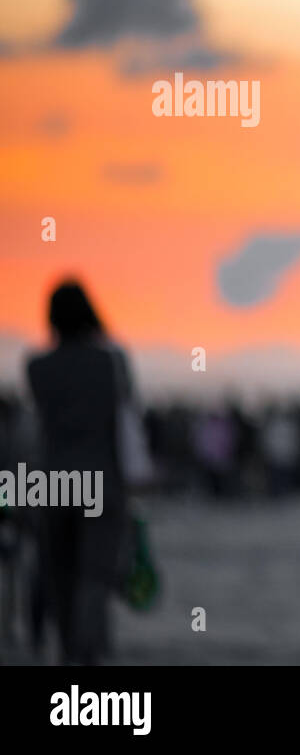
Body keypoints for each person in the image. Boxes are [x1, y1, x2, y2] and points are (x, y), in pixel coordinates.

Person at [25, 279, 130, 665]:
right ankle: (88, 651)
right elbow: (121, 428)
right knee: (94, 575)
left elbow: (39, 430)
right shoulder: (110, 362)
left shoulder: (37, 366)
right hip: (101, 480)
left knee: (60, 575)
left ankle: (68, 650)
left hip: (52, 482)